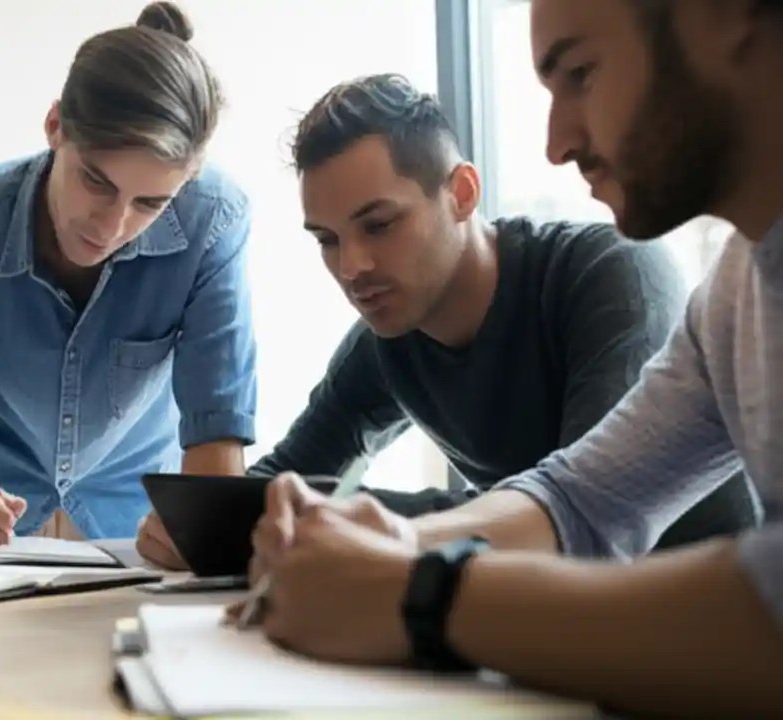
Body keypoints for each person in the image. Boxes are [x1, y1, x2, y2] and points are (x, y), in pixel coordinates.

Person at [243, 1, 783, 717]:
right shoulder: (734, 296)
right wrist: (392, 546)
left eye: (581, 73)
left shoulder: (612, 271)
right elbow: (581, 501)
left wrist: (422, 589)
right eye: (329, 239)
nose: (555, 142)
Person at [237, 73, 756, 557]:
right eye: (327, 240)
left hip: (686, 615)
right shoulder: (386, 335)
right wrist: (207, 520)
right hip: (541, 617)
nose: (351, 267)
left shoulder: (611, 276)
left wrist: (339, 518)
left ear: (462, 193)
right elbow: (287, 476)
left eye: (379, 225)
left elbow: (578, 510)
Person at [0, 1, 256, 561]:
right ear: (54, 126)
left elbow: (216, 423)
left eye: (150, 203)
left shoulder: (212, 220)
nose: (113, 226)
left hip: (145, 535)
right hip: (2, 545)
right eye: (97, 181)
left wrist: (206, 548)